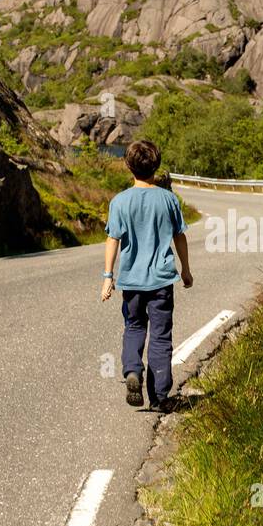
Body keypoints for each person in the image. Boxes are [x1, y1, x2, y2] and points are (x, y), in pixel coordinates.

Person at [101, 140, 193, 411]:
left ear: (128, 166)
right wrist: (185, 270)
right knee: (161, 336)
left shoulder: (119, 202)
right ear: (157, 165)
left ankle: (132, 371)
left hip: (131, 281)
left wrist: (108, 276)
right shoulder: (168, 199)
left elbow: (112, 239)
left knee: (134, 327)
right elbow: (180, 237)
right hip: (162, 281)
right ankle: (160, 396)